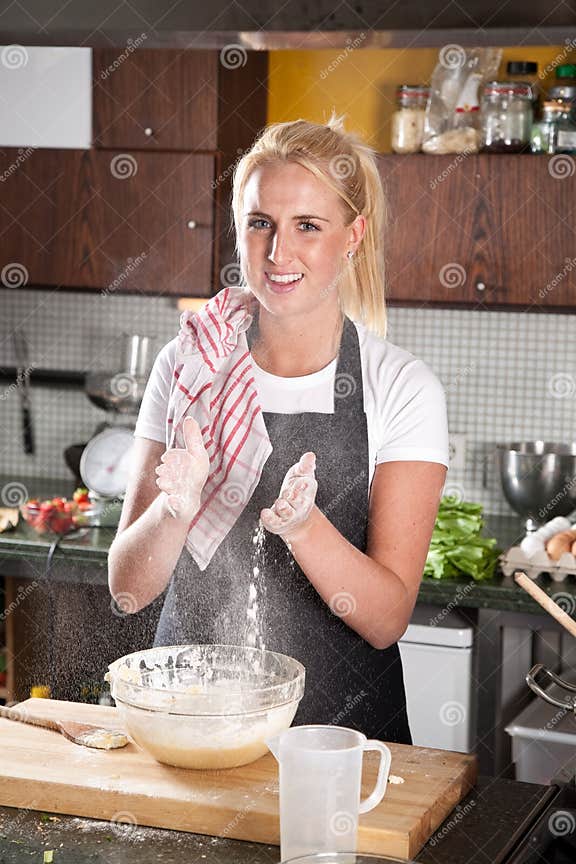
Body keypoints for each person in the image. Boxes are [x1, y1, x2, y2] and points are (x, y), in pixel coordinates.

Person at [108, 113, 449, 743]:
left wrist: (304, 527)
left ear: (353, 235)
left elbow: (385, 620)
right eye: (259, 223)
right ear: (237, 233)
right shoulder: (189, 365)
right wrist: (175, 510)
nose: (277, 252)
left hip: (341, 746)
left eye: (308, 227)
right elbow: (128, 589)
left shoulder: (400, 387)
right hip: (193, 732)